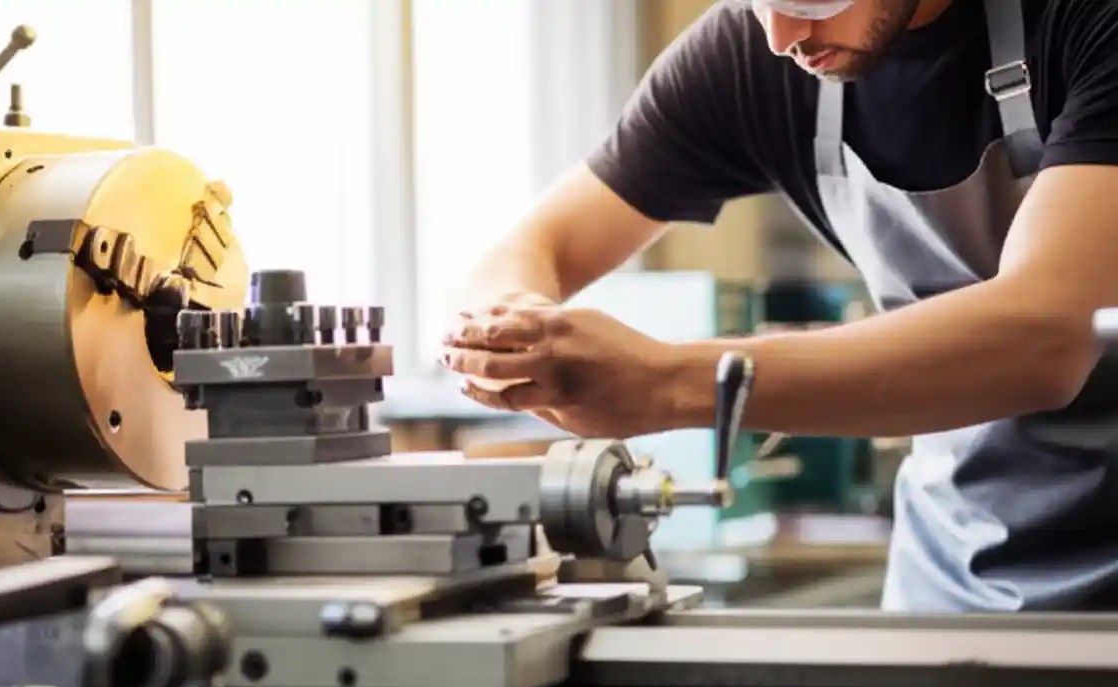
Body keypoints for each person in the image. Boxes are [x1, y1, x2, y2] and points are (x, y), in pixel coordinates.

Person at [439, 0, 1118, 613]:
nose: (780, 36)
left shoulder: (1088, 22)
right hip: (948, 580)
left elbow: (1043, 339)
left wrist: (665, 382)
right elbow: (536, 245)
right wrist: (505, 328)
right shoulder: (754, 52)